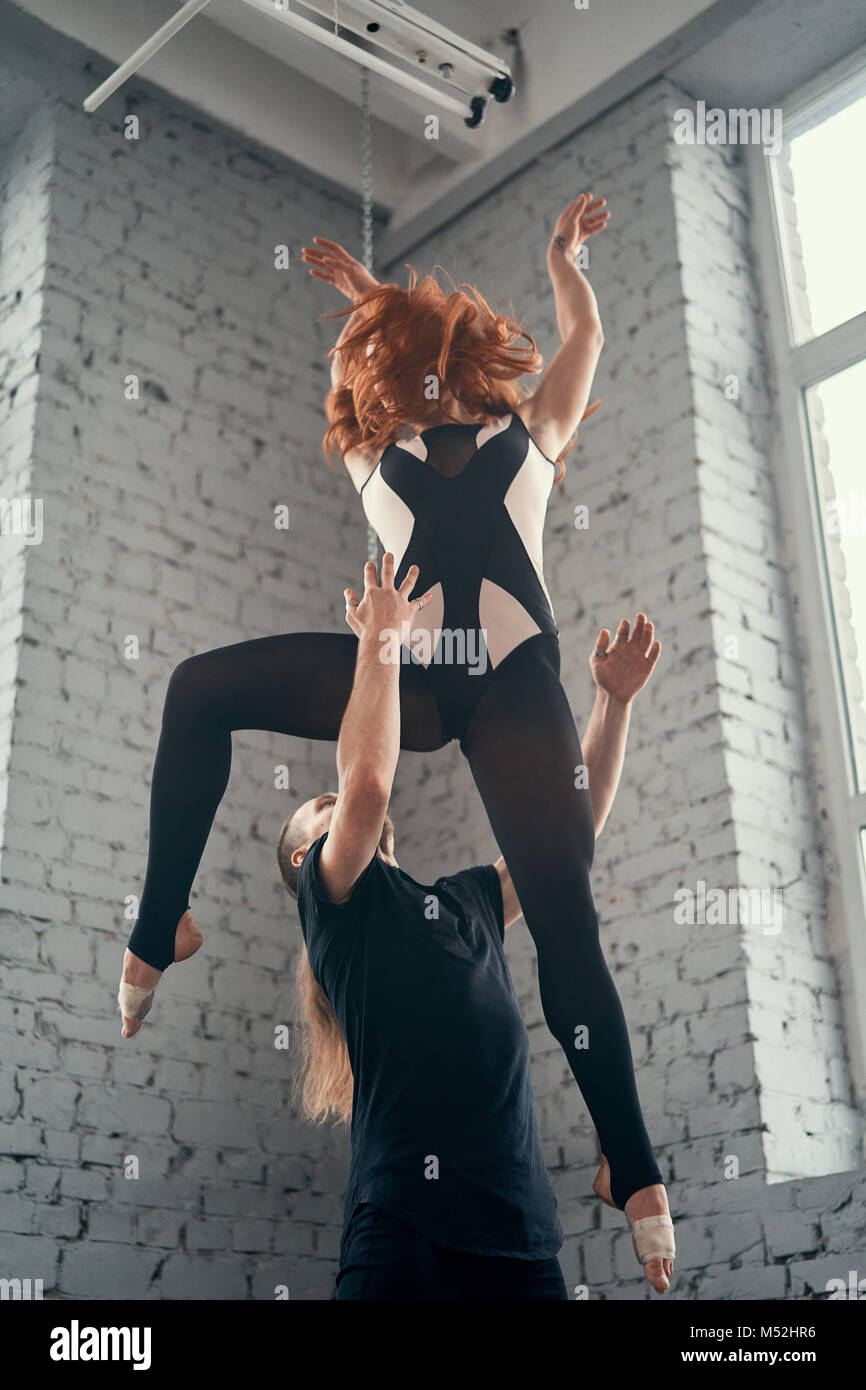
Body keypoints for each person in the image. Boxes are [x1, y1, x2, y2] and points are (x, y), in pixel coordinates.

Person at [116, 193, 675, 1286]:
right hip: (406, 673)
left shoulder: (536, 436)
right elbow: (378, 371)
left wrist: (564, 261)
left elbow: (584, 337)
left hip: (512, 682)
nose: (402, 376)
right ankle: (156, 929)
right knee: (196, 689)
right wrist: (370, 308)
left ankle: (631, 1163)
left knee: (565, 908)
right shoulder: (368, 453)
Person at [279, 554, 673, 1297]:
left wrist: (612, 706)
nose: (334, 801)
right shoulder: (334, 909)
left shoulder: (462, 904)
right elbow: (364, 782)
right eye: (317, 808)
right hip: (404, 1228)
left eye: (327, 796)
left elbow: (564, 840)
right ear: (304, 858)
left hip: (520, 1236)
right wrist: (381, 643)